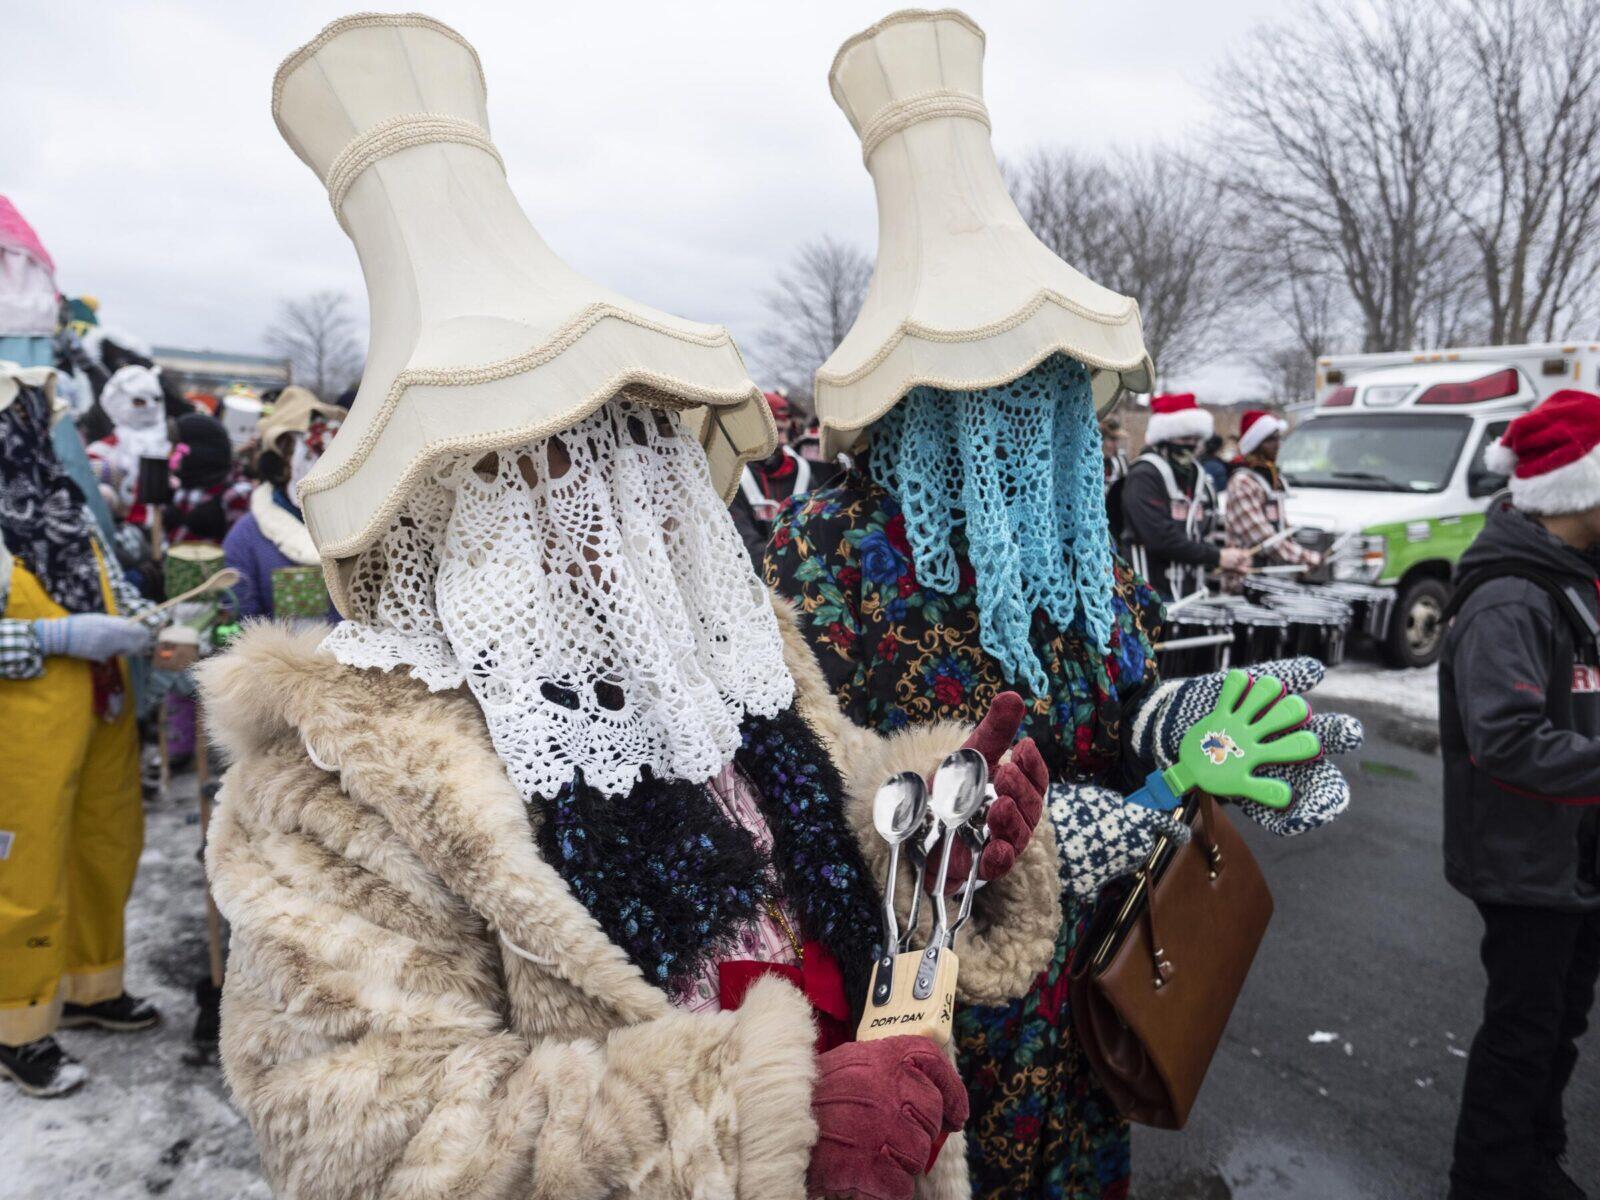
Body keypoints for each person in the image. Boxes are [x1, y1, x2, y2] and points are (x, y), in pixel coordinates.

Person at [197, 17, 1059, 1197]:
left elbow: (828, 812)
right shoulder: (338, 779)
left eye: (632, 459)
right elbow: (365, 1129)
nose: (611, 523)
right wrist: (752, 1126)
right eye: (543, 482)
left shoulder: (725, 650)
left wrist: (929, 831)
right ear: (437, 514)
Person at [1441, 389, 1600, 1200]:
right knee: (1524, 1030)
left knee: (1559, 1022)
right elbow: (1505, 738)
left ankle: (1536, 1154)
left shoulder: (1574, 577)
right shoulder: (1512, 595)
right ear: (1582, 491)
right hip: (1523, 857)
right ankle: (1491, 1177)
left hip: (1572, 852)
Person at [0, 365, 162, 1098]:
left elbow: (108, 579)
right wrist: (58, 637)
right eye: (31, 415)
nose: (44, 428)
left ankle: (91, 986)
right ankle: (16, 1025)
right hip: (22, 727)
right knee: (23, 871)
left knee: (105, 846)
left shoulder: (60, 496)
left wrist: (146, 621)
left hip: (100, 711)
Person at [221, 386, 341, 620]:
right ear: (279, 463)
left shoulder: (361, 530)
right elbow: (241, 618)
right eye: (305, 454)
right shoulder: (247, 537)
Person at [1121, 392, 1251, 599]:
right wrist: (1217, 557)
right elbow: (1159, 537)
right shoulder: (1144, 476)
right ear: (1164, 439)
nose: (1190, 445)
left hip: (1190, 589)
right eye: (1183, 438)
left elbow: (1202, 532)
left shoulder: (1197, 476)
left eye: (1195, 439)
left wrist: (1229, 558)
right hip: (1148, 593)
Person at [1225, 409, 1322, 572]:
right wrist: (1306, 558)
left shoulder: (1271, 477)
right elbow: (1262, 538)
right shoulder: (1242, 482)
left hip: (1272, 573)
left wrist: (1299, 558)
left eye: (1278, 438)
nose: (1277, 445)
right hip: (1246, 577)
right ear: (1255, 444)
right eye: (1270, 440)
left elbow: (1282, 531)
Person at [730, 392, 814, 564]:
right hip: (752, 572)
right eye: (776, 431)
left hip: (799, 570)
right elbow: (742, 540)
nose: (783, 440)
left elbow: (814, 533)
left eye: (785, 430)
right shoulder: (736, 476)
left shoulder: (802, 472)